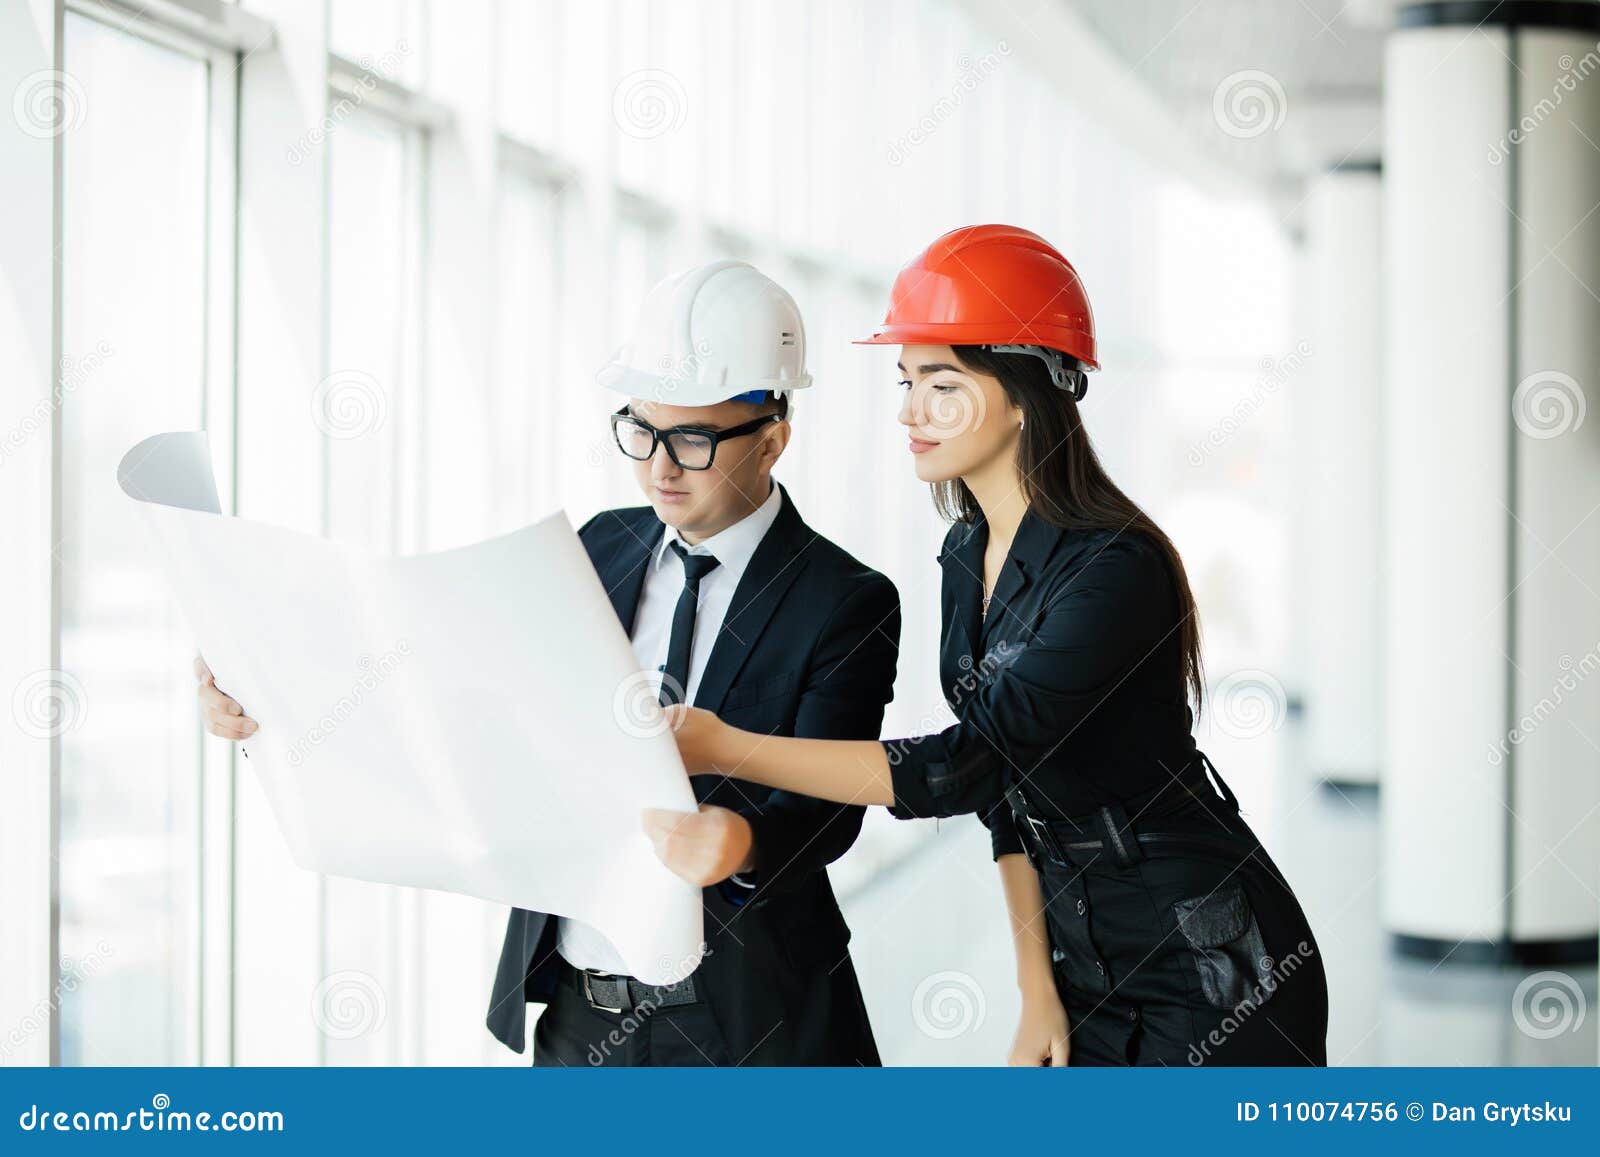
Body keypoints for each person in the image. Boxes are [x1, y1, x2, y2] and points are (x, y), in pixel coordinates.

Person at [197, 259, 900, 1066]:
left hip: (748, 1022)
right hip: (579, 1018)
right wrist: (269, 692)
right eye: (640, 428)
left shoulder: (844, 598)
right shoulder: (603, 543)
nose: (659, 466)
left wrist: (738, 844)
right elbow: (458, 698)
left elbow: (830, 806)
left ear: (773, 438)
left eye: (693, 439)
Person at [664, 226, 1330, 1067]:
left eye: (943, 384)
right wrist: (1037, 986)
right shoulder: (964, 555)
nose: (910, 411)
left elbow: (967, 764)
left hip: (1212, 966)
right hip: (1083, 961)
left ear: (1023, 392)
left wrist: (729, 747)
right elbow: (1006, 798)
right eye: (906, 382)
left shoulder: (1114, 569)